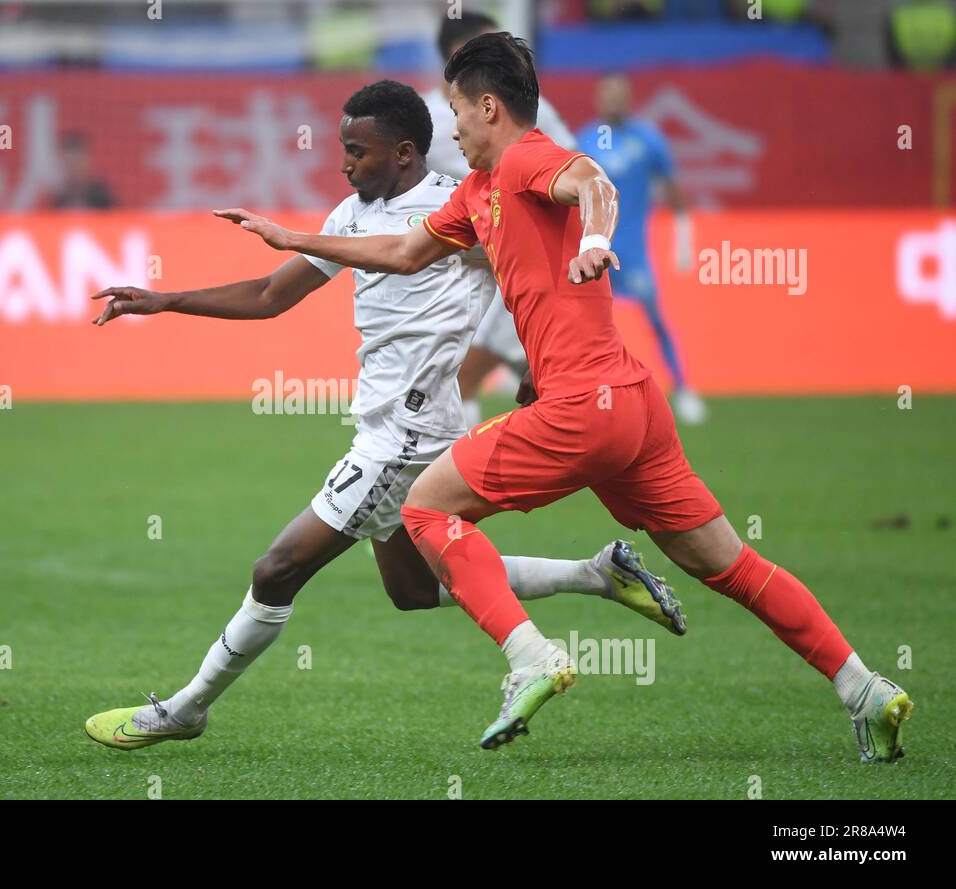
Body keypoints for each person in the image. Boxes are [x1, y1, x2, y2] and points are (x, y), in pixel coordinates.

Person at [214, 35, 913, 762]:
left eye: (456, 110)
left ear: (489, 107)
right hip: (634, 406)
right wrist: (291, 236)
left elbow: (593, 184)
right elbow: (403, 251)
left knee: (424, 507)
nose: (450, 127)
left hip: (583, 407)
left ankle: (532, 659)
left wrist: (596, 238)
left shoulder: (524, 160)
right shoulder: (477, 192)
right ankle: (865, 687)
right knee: (730, 564)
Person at [82, 80, 683, 750]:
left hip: (406, 434)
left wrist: (542, 369)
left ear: (402, 153)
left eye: (355, 151)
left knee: (276, 568)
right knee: (413, 587)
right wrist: (163, 300)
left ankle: (185, 709)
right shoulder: (349, 214)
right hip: (403, 430)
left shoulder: (459, 213)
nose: (343, 162)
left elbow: (527, 282)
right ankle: (598, 572)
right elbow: (268, 294)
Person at [423, 9, 578, 427]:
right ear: (462, 51)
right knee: (546, 390)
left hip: (525, 271)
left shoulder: (525, 110)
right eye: (496, 44)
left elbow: (572, 166)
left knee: (464, 377)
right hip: (463, 272)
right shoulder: (423, 121)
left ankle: (464, 476)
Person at [578, 74, 705, 424]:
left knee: (655, 318)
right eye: (608, 95)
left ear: (630, 98)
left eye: (620, 95)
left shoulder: (648, 139)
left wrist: (684, 238)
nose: (614, 101)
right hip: (594, 250)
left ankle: (683, 388)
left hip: (633, 253)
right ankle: (586, 394)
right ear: (599, 99)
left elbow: (673, 188)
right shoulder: (585, 141)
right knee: (584, 326)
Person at [49, 132, 116, 210]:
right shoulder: (58, 200)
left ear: (88, 161)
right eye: (69, 164)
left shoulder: (103, 197)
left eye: (77, 163)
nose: (74, 170)